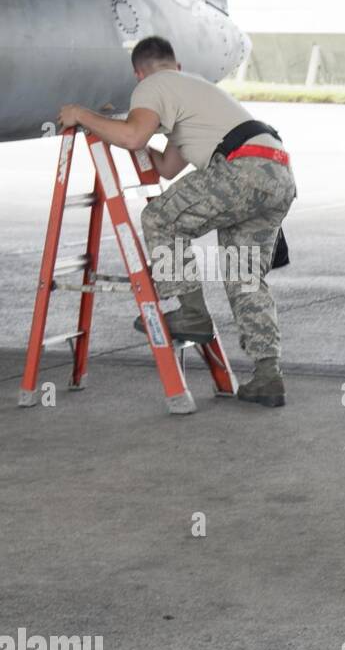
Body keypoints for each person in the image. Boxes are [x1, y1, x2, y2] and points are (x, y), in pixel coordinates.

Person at [57, 35, 296, 407]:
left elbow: (134, 136)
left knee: (160, 219)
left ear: (139, 73)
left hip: (241, 169)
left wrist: (84, 116)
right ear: (177, 65)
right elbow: (167, 165)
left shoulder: (152, 86)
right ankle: (268, 374)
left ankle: (191, 313)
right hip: (276, 172)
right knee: (244, 276)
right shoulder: (191, 91)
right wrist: (109, 126)